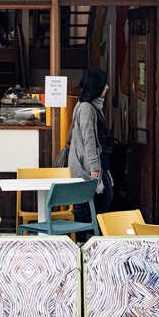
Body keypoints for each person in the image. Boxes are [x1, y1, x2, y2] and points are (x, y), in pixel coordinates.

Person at [69, 68, 113, 239]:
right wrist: (94, 167)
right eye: (104, 84)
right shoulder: (86, 107)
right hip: (87, 165)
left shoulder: (92, 106)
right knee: (86, 202)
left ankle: (89, 235)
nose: (107, 87)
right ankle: (82, 239)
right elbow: (89, 140)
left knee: (102, 198)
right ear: (97, 86)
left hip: (96, 163)